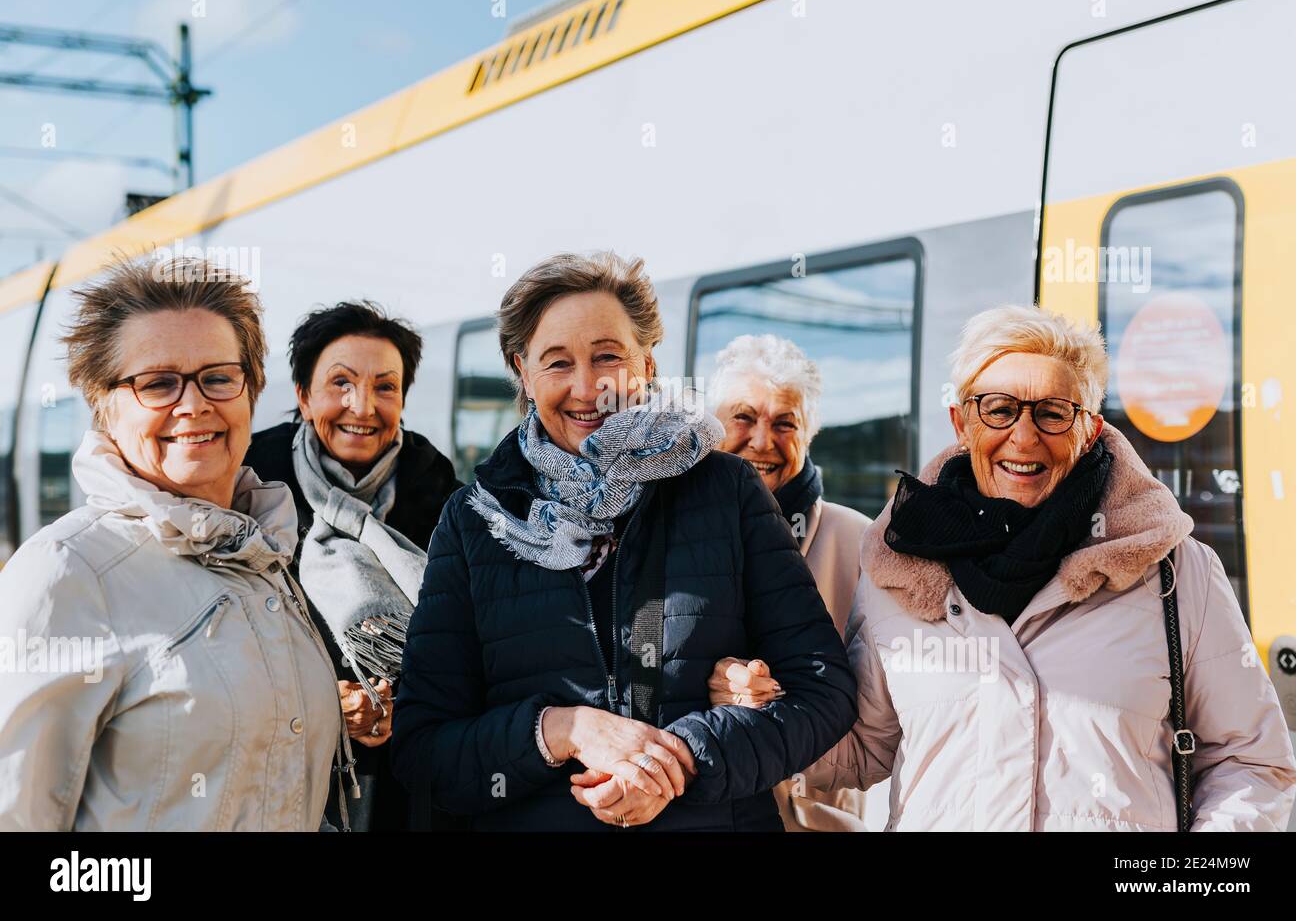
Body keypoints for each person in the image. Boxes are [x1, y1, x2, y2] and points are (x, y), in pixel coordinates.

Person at [720, 304, 1296, 830]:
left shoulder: (1176, 572)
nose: (1023, 436)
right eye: (997, 410)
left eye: (1052, 412)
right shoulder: (897, 569)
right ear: (962, 422)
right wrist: (762, 706)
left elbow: (1251, 762)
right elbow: (862, 751)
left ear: (1089, 428)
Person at [391, 251, 856, 830]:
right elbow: (425, 749)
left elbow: (823, 691)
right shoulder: (476, 519)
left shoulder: (724, 490)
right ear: (523, 371)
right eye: (557, 363)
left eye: (608, 356)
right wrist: (562, 730)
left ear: (647, 364)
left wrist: (683, 758)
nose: (588, 388)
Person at [0, 256, 342, 830]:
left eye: (218, 377)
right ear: (104, 406)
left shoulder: (266, 558)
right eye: (157, 383)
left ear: (251, 390)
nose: (193, 404)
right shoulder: (69, 573)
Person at [244, 301, 460, 831]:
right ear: (303, 396)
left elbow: (471, 651)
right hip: (287, 790)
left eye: (385, 387)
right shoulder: (250, 491)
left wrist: (402, 702)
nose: (362, 406)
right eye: (340, 383)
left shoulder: (445, 500)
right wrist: (320, 705)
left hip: (418, 792)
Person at [706, 333, 874, 831]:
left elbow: (880, 710)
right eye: (743, 417)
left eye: (785, 423)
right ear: (711, 426)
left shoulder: (860, 542)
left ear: (808, 436)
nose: (762, 441)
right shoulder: (675, 533)